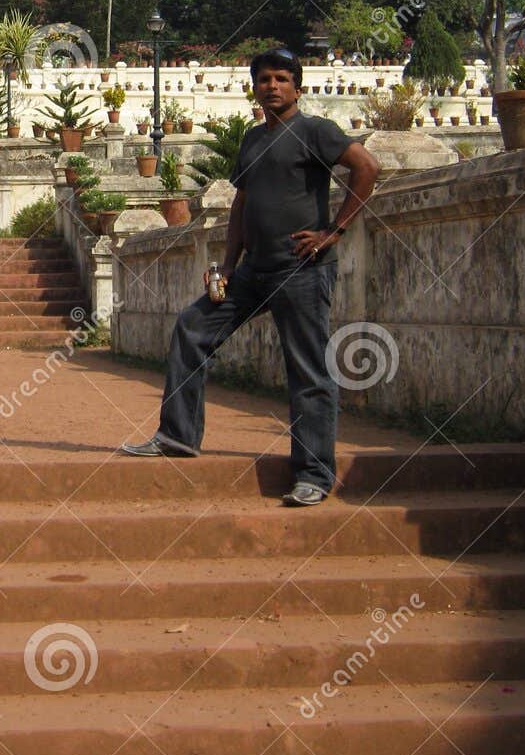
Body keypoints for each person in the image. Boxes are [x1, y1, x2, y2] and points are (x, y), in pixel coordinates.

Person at [120, 48, 380, 508]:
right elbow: (241, 205)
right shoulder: (253, 141)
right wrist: (227, 264)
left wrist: (333, 232)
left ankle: (314, 474)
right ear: (255, 88)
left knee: (308, 370)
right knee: (192, 328)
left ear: (298, 87)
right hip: (253, 272)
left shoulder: (316, 131)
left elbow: (367, 168)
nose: (273, 86)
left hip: (301, 269)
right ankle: (177, 435)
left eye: (282, 78)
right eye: (265, 79)